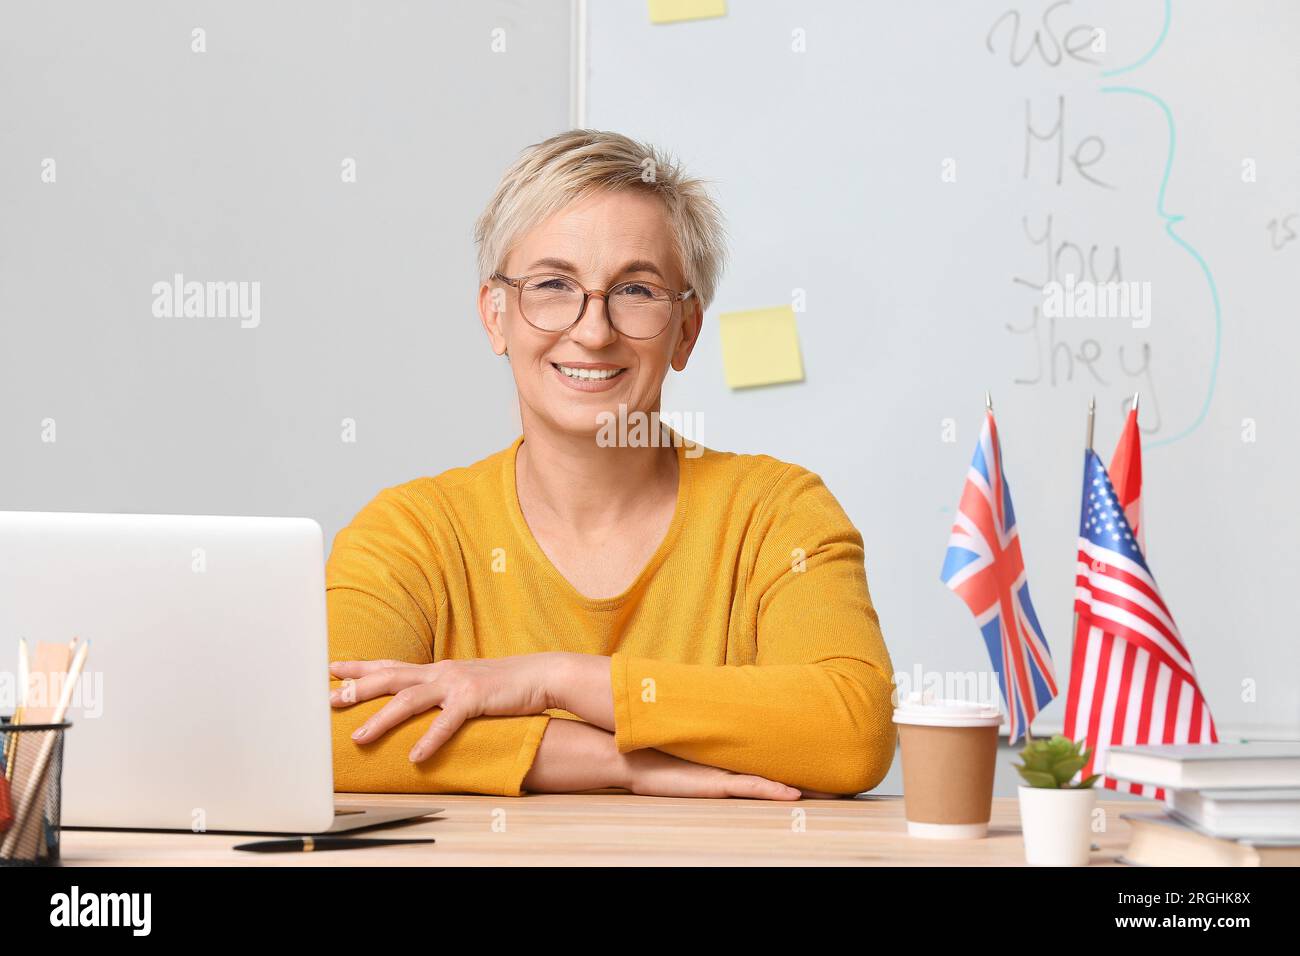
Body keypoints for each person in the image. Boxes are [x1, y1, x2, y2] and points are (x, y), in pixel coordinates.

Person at [327, 129, 895, 799]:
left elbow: (852, 731)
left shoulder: (778, 513)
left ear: (686, 332)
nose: (593, 331)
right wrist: (626, 764)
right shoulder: (409, 533)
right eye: (552, 284)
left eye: (636, 291)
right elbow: (322, 732)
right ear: (496, 316)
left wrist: (552, 680)